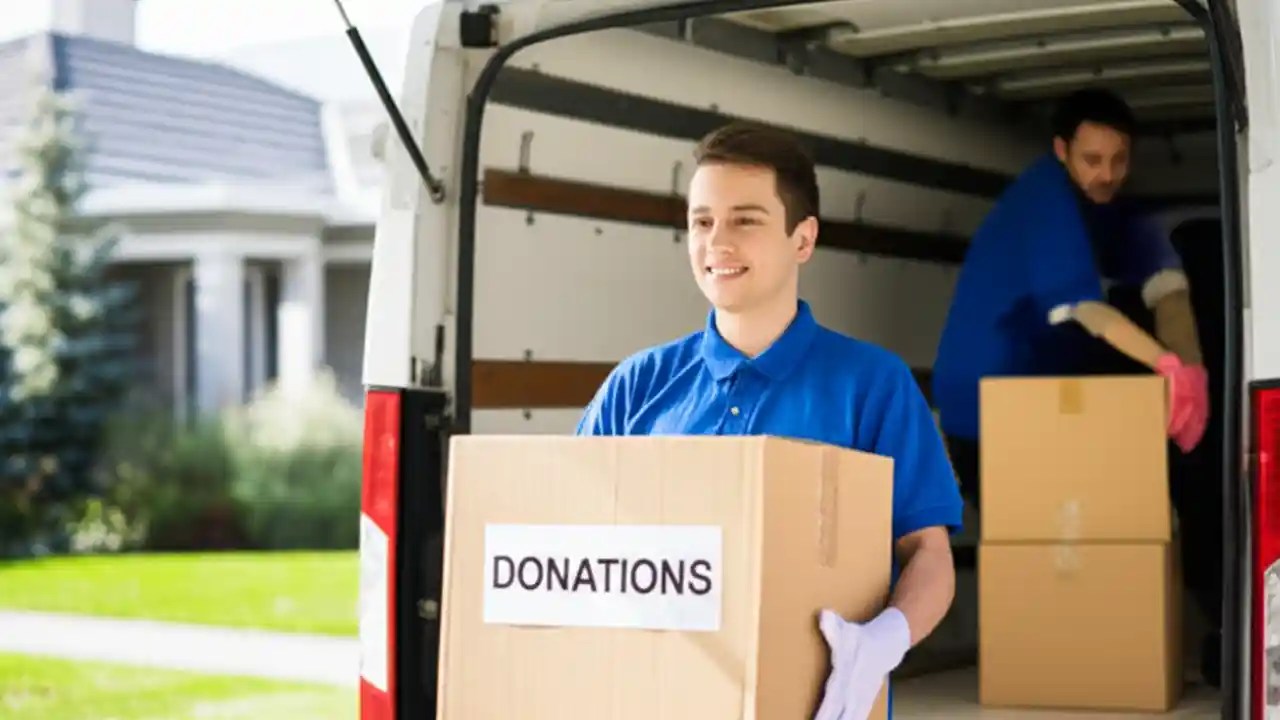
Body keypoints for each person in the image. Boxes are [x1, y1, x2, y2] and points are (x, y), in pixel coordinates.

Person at [575, 121, 965, 719]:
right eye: (702, 221)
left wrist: (882, 643)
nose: (717, 243)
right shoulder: (636, 387)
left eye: (745, 220)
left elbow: (929, 555)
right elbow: (571, 541)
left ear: (802, 239)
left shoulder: (873, 385)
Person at [930, 88, 1220, 686]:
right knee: (1052, 545)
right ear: (1062, 150)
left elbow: (1168, 290)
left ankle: (1112, 660)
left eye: (1118, 159)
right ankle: (1060, 670)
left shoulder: (1112, 211)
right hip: (987, 413)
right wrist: (1168, 370)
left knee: (1092, 535)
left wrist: (1192, 369)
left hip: (1050, 402)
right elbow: (1089, 312)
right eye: (1092, 159)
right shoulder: (1046, 201)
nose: (1106, 174)